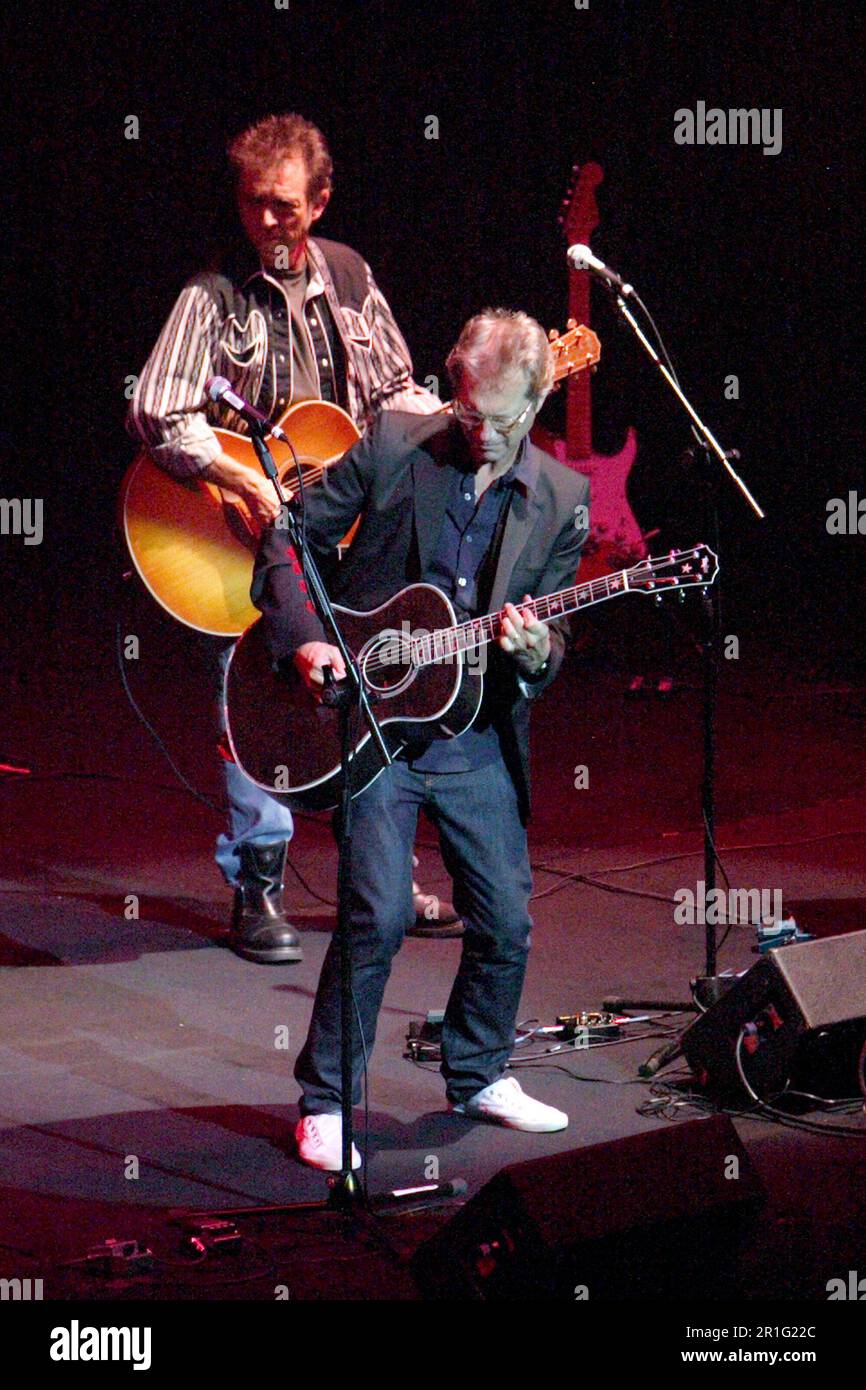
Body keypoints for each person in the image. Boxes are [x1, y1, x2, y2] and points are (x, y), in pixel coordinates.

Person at [252, 308, 591, 1169]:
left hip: (474, 735)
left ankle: (477, 1071)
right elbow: (289, 536)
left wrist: (537, 646)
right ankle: (326, 1099)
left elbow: (555, 658)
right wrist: (303, 637)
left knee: (508, 921)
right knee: (377, 912)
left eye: (501, 421)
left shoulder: (560, 498)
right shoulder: (399, 443)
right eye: (468, 413)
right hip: (375, 719)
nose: (479, 434)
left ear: (537, 402)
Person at [126, 113, 449, 964]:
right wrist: (239, 481)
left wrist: (448, 419)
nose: (268, 221)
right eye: (254, 204)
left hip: (338, 520)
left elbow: (391, 393)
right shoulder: (214, 293)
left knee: (373, 683)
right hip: (239, 529)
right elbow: (157, 406)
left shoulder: (348, 277)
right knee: (252, 697)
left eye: (285, 206)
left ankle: (379, 879)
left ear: (321, 200)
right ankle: (257, 885)